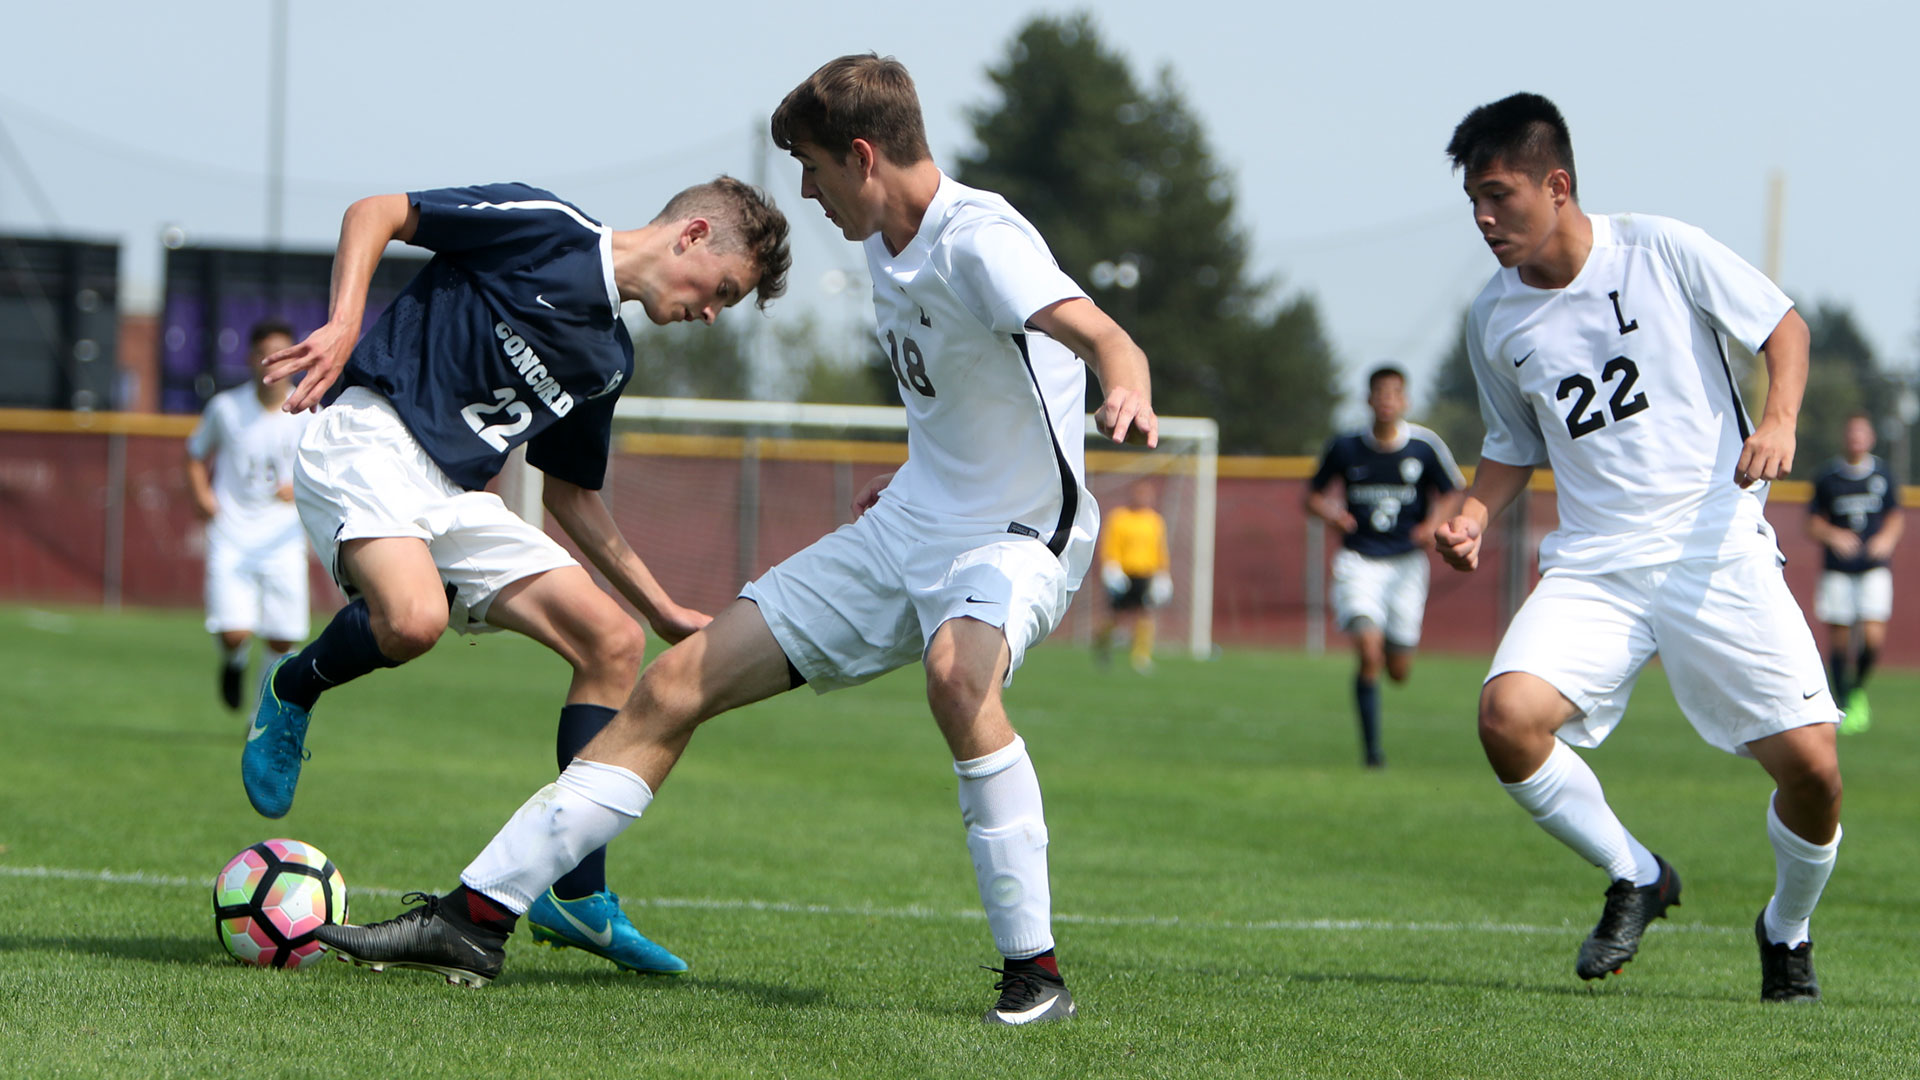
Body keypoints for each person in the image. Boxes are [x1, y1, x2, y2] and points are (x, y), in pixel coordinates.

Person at [317, 53, 1157, 1026]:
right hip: (906, 529)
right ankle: (475, 917)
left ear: (862, 155)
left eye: (810, 168)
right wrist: (921, 472)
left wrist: (1125, 384)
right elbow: (963, 394)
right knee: (674, 684)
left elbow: (1101, 335)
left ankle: (1036, 975)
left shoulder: (981, 239)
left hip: (1016, 536)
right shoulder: (889, 247)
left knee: (958, 678)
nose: (805, 191)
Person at [242, 177, 791, 977]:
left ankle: (578, 895)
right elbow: (377, 212)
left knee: (611, 640)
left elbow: (571, 496)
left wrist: (662, 606)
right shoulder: (548, 228)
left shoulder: (608, 359)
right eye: (723, 291)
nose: (711, 313)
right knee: (414, 619)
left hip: (454, 495)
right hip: (369, 435)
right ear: (693, 235)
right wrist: (345, 323)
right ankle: (293, 687)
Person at [1436, 93, 1839, 1003]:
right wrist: (1473, 513)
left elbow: (1785, 328)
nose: (1485, 219)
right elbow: (1511, 446)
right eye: (1473, 201)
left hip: (1715, 545)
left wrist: (1777, 422)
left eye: (1499, 195)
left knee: (1815, 772)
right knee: (1507, 720)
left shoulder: (1660, 248)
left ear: (1558, 184)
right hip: (1596, 564)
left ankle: (1787, 929)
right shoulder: (1493, 319)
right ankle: (1636, 874)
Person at [1306, 366, 1463, 768]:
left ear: (1405, 400)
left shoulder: (1424, 447)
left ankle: (1391, 666)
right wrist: (1333, 515)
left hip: (1407, 566)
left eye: (1395, 392)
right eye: (1380, 392)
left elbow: (1451, 492)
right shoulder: (1345, 447)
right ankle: (1372, 753)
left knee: (1398, 669)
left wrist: (1431, 524)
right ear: (1370, 399)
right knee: (1369, 651)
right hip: (1358, 561)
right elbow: (1313, 496)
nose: (1388, 399)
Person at [185, 319, 314, 711]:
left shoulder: (309, 411)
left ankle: (259, 717)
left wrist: (300, 486)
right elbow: (194, 454)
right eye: (265, 354)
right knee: (234, 633)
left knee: (282, 639)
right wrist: (202, 495)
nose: (272, 363)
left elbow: (328, 470)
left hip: (284, 538)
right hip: (233, 534)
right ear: (251, 359)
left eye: (283, 354)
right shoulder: (226, 408)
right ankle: (233, 662)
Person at [1807, 412, 1903, 734]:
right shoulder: (1829, 477)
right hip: (1838, 569)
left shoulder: (1883, 474)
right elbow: (1812, 522)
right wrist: (1833, 536)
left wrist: (1886, 539)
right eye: (1851, 432)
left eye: (1862, 433)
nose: (1856, 439)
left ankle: (1856, 689)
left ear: (1871, 438)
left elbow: (1895, 516)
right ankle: (1844, 700)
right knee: (1839, 639)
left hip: (1873, 568)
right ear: (1844, 437)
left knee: (1873, 638)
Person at [1094, 478, 1171, 673]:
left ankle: (1141, 656)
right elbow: (1110, 544)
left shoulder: (1154, 520)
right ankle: (1102, 646)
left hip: (1145, 574)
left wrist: (1163, 574)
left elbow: (1160, 549)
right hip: (1123, 574)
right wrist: (1110, 567)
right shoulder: (1119, 518)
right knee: (1116, 617)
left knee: (1145, 615)